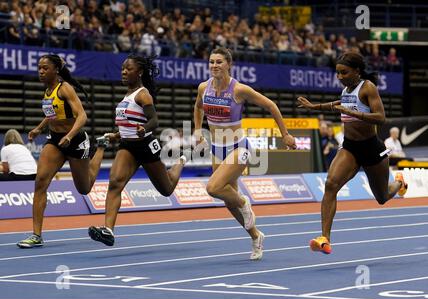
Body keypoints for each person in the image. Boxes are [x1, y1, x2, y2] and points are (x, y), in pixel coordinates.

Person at [297, 51, 408, 254]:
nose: (340, 77)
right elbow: (339, 104)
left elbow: (381, 117)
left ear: (357, 71)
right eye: (338, 73)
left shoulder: (368, 88)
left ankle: (399, 183)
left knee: (382, 197)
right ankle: (325, 238)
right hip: (350, 147)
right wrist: (315, 106)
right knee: (331, 184)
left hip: (372, 148)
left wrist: (353, 113)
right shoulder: (347, 89)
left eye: (344, 73)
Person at [193, 47, 296, 260]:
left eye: (219, 62)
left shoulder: (239, 89)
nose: (214, 65)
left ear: (228, 64)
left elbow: (271, 105)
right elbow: (198, 107)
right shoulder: (204, 87)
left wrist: (285, 135)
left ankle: (243, 202)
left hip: (238, 148)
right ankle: (256, 236)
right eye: (211, 62)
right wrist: (196, 129)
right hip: (216, 149)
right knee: (227, 202)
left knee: (213, 188)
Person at [88, 54, 188, 246]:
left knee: (166, 189)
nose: (124, 72)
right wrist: (116, 135)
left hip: (145, 146)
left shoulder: (143, 94)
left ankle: (181, 161)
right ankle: (108, 230)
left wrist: (145, 129)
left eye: (129, 69)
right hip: (127, 145)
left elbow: (154, 121)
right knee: (115, 182)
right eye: (123, 69)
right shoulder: (126, 96)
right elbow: (128, 124)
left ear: (140, 72)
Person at [17, 54, 107, 248]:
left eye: (45, 68)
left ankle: (100, 148)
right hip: (56, 141)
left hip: (75, 140)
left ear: (55, 70)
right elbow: (53, 115)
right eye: (39, 68)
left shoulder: (65, 88)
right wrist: (39, 128)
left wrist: (70, 135)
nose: (41, 71)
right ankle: (36, 235)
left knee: (84, 188)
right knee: (40, 181)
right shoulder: (47, 90)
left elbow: (82, 116)